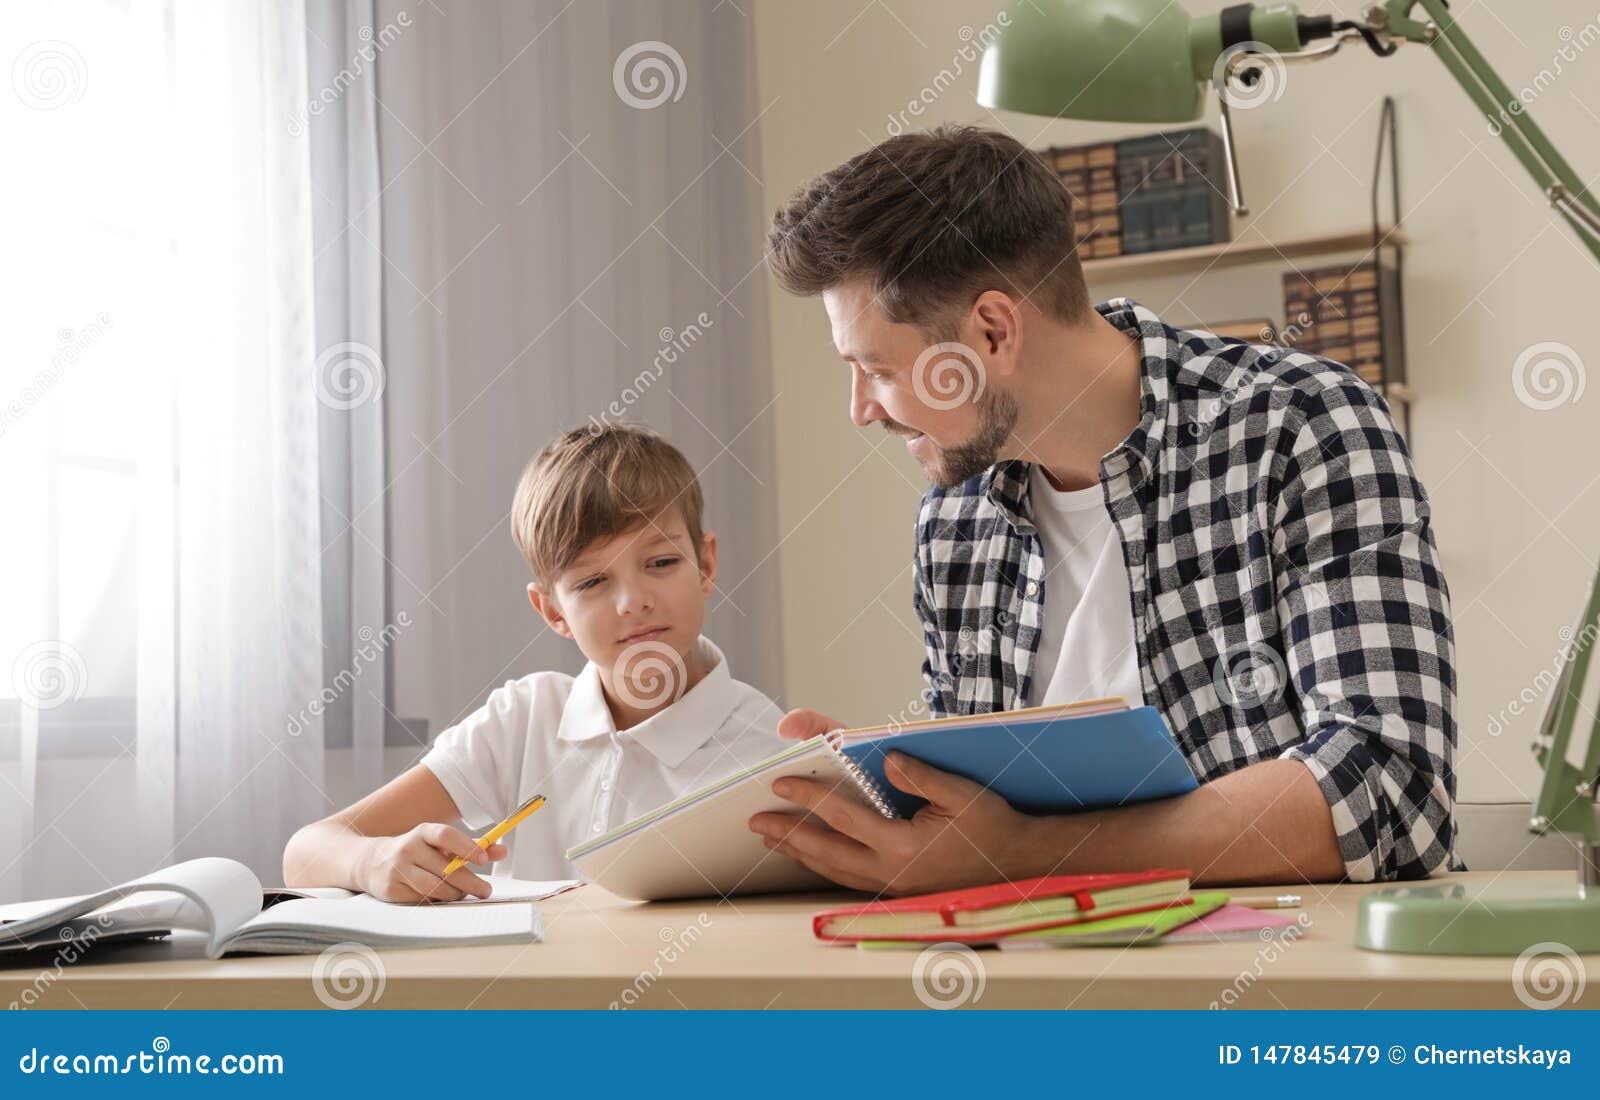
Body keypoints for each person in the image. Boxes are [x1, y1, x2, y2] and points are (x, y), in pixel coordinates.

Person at [748, 124, 1458, 894]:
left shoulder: (1299, 426)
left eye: (876, 369)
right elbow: (977, 829)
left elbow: (1389, 792)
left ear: (991, 331)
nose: (861, 410)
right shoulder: (954, 521)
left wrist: (1023, 853)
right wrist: (882, 793)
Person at [284, 424, 785, 901]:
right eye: (592, 582)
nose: (632, 602)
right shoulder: (525, 718)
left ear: (706, 564)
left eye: (660, 563)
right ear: (552, 610)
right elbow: (306, 854)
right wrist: (372, 861)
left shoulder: (770, 749)